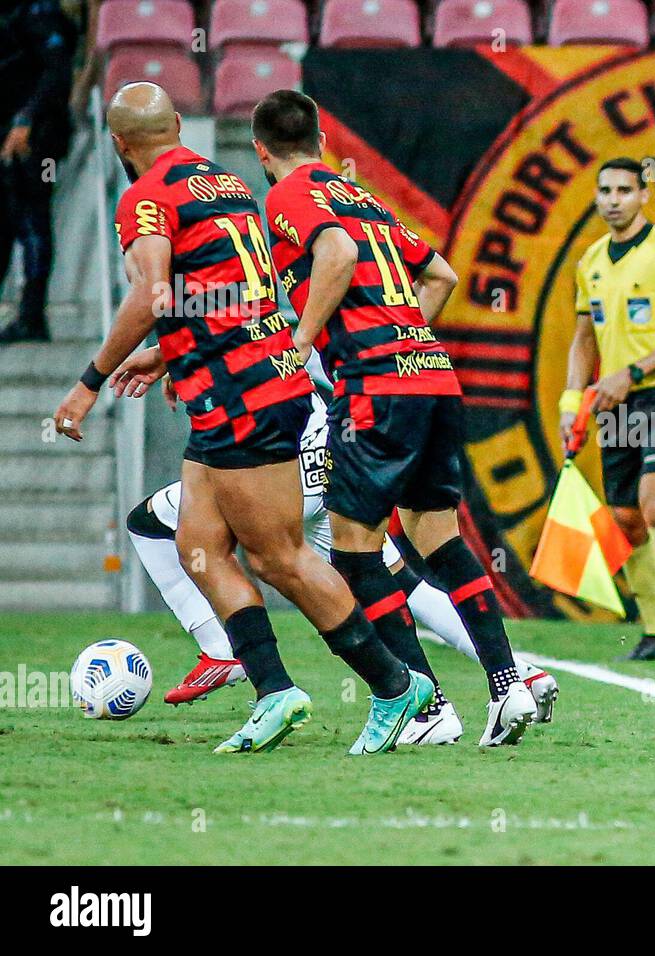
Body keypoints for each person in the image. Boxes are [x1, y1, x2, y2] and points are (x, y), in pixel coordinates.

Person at [56, 82, 433, 756]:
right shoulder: (226, 184)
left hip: (244, 397)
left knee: (278, 556)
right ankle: (275, 690)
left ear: (118, 145)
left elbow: (152, 291)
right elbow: (228, 295)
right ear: (175, 124)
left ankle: (393, 684)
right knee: (197, 543)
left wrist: (90, 383)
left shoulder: (146, 199)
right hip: (245, 381)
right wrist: (168, 357)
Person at [252, 89, 537, 747]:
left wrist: (302, 343)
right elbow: (440, 275)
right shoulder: (362, 197)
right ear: (322, 142)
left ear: (263, 152)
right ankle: (507, 686)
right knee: (438, 537)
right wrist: (404, 337)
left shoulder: (290, 195)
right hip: (433, 376)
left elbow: (338, 257)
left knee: (354, 548)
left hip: (376, 389)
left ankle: (428, 704)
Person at [114, 365, 559, 736]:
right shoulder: (267, 297)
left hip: (275, 458)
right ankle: (515, 673)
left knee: (153, 525)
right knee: (396, 579)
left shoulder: (230, 292)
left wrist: (101, 378)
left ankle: (224, 648)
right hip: (324, 444)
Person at [562, 158, 655, 663]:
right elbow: (582, 340)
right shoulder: (591, 260)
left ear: (645, 195)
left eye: (624, 189)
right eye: (604, 190)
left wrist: (634, 373)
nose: (613, 199)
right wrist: (571, 401)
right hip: (614, 401)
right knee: (625, 520)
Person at [0, 0, 75, 343]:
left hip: (37, 137)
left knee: (32, 215)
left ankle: (32, 316)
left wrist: (25, 120)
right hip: (8, 130)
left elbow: (57, 71)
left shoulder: (39, 12)